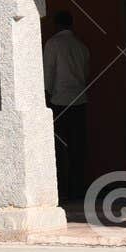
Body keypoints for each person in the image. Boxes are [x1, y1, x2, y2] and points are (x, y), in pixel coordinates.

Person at [43, 11, 90, 202]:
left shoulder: (52, 44)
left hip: (59, 102)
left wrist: (46, 95)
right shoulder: (81, 47)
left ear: (56, 25)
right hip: (79, 101)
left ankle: (62, 188)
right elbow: (86, 75)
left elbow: (48, 72)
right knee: (78, 147)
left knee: (59, 147)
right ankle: (78, 188)